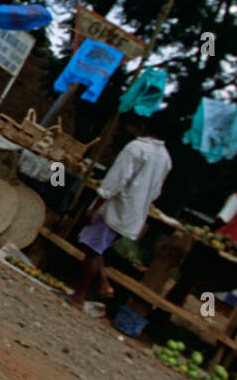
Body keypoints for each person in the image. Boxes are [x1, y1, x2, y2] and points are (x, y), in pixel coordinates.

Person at [69, 111, 173, 308]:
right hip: (134, 213)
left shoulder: (137, 148)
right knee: (96, 245)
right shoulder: (165, 159)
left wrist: (96, 206)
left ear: (147, 126)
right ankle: (103, 283)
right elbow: (156, 192)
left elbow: (116, 179)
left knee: (92, 248)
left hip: (117, 207)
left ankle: (80, 296)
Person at [166, 166, 237, 305]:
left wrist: (207, 234)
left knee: (191, 268)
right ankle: (178, 298)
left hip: (220, 250)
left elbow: (221, 220)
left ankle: (174, 299)